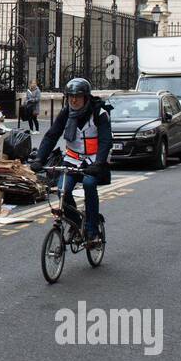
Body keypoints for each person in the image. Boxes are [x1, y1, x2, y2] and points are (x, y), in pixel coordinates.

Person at [29, 77, 111, 248]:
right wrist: (39, 159)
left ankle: (91, 230)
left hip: (94, 161)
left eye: (78, 96)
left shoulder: (99, 113)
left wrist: (99, 164)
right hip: (72, 159)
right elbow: (52, 136)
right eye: (70, 96)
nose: (73, 100)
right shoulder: (67, 112)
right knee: (61, 190)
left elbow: (105, 141)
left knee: (89, 184)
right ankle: (75, 223)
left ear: (86, 98)